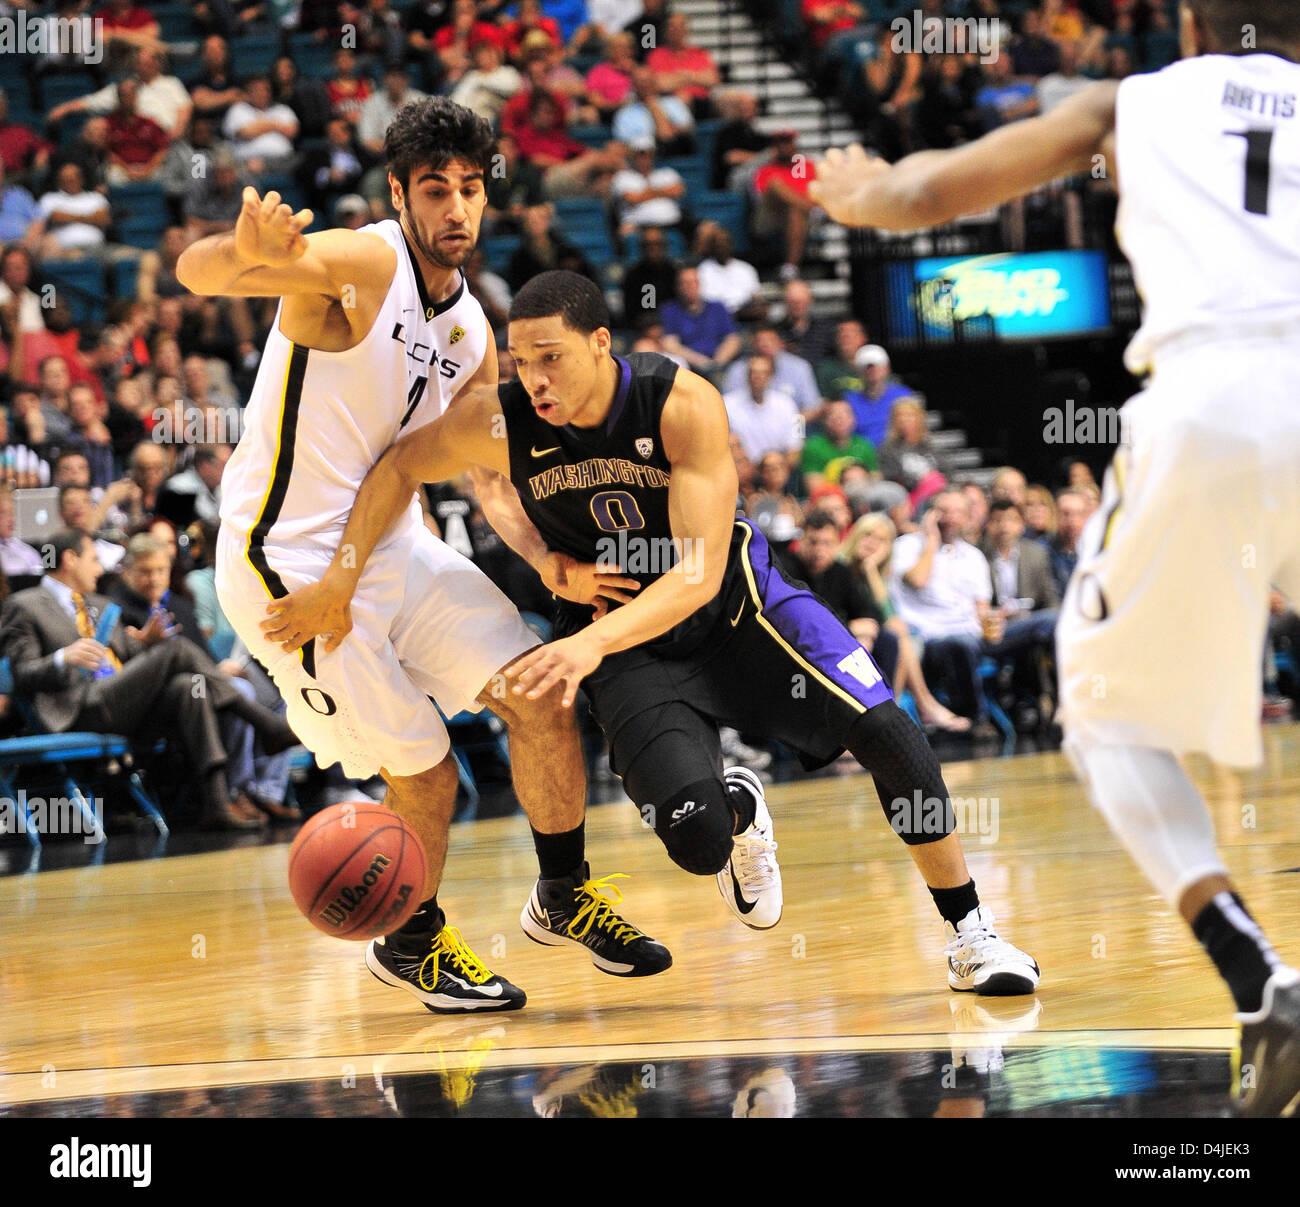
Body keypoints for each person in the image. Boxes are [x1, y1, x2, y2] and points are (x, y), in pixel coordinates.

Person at [270, 269, 1041, 995]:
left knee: (891, 734)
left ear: (600, 345)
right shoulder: (502, 420)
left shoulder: (679, 401)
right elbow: (402, 469)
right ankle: (737, 810)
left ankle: (974, 934)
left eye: (552, 358)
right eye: (520, 361)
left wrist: (585, 643)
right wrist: (533, 561)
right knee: (695, 837)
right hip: (625, 642)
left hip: (740, 609)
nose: (534, 378)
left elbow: (699, 573)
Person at [809, 0, 1300, 1115]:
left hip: (1212, 404)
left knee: (1102, 710)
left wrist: (852, 187)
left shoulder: (1123, 101)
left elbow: (929, 193)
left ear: (1184, 21)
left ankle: (1254, 974)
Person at [176, 97, 668, 1013]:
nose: (455, 208)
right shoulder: (364, 263)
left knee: (538, 686)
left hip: (385, 546)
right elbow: (193, 271)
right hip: (288, 561)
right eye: (434, 188)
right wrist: (244, 248)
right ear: (398, 193)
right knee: (427, 771)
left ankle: (562, 892)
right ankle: (411, 942)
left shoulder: (476, 331)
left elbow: (478, 477)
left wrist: (544, 562)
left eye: (471, 189)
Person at [0, 527, 296, 831]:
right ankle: (267, 725)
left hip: (119, 700)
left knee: (190, 689)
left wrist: (146, 643)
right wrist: (64, 657)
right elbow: (23, 673)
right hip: (79, 707)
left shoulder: (99, 604)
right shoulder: (25, 605)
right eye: (93, 559)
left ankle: (216, 802)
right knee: (177, 649)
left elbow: (130, 658)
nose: (100, 569)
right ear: (70, 559)